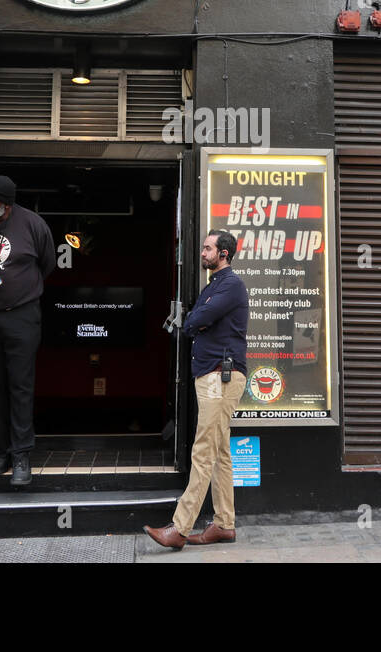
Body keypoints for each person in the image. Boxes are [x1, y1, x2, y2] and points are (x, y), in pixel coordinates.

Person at [144, 229, 248, 549]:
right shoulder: (213, 286)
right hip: (213, 375)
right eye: (203, 248)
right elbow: (194, 320)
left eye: (208, 249)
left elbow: (195, 321)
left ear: (224, 254)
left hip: (221, 377)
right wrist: (196, 319)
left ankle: (180, 528)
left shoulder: (231, 285)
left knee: (203, 451)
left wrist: (196, 319)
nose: (202, 253)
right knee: (220, 453)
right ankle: (224, 524)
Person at [0, 174, 55, 486]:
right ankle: (1, 451)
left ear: (6, 204)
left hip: (22, 316)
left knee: (20, 386)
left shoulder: (33, 225)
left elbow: (47, 264)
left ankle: (21, 455)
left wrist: (18, 289)